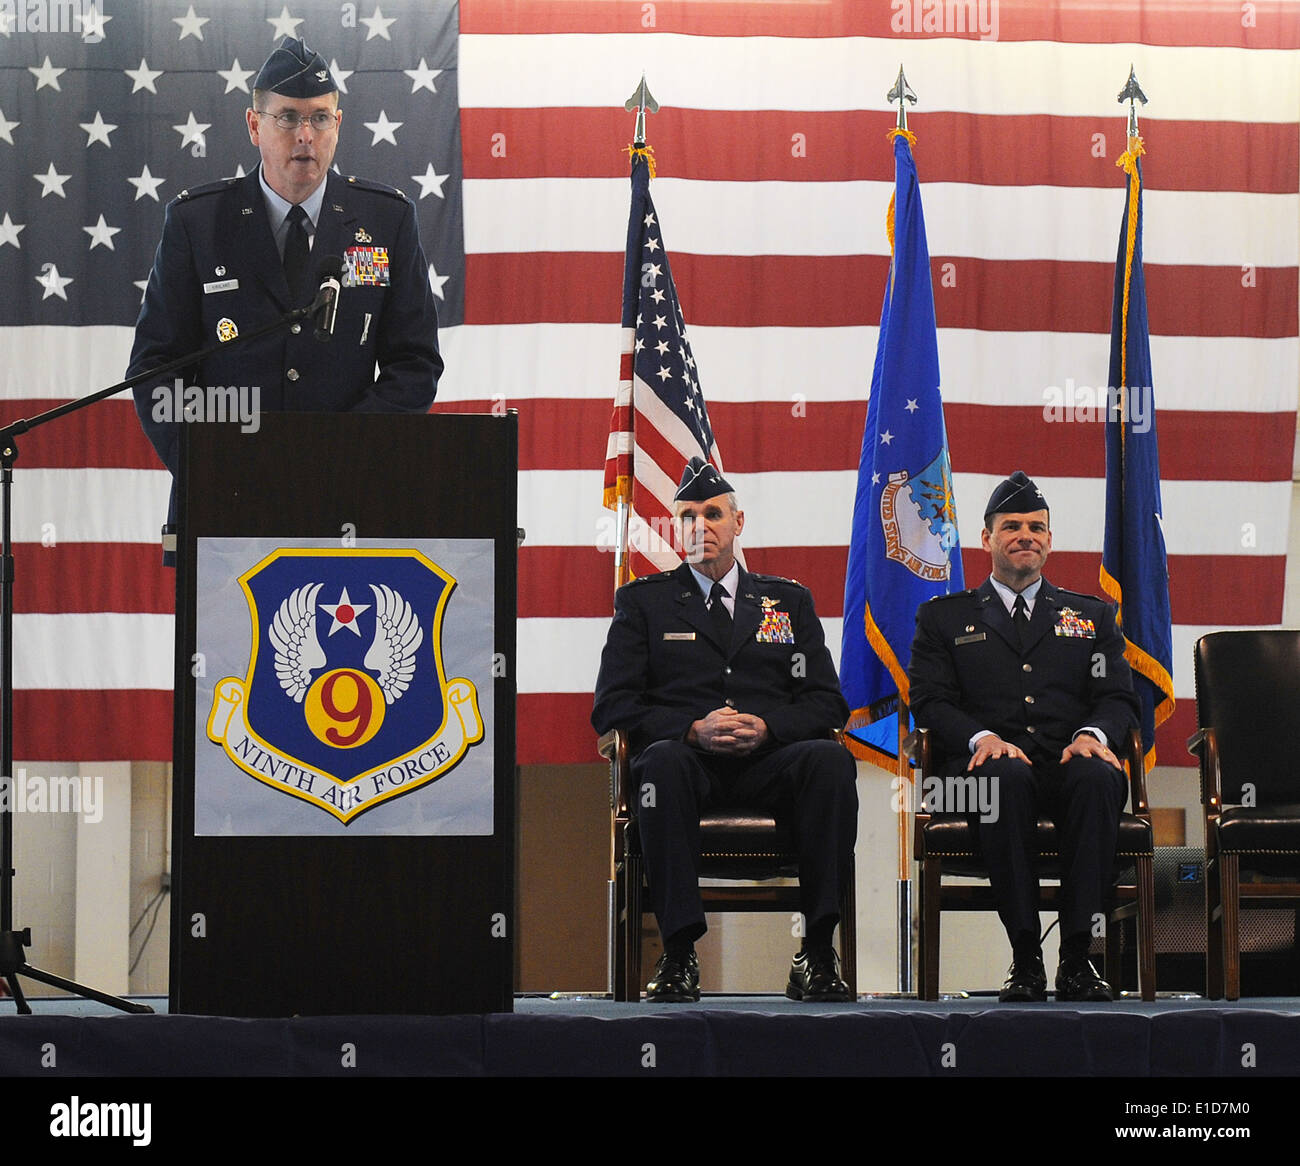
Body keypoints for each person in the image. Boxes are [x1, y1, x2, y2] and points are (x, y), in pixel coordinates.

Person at [127, 36, 442, 558]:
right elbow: (156, 368)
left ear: (337, 125)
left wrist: (340, 456)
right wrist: (215, 465)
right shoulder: (197, 223)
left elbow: (416, 363)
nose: (305, 136)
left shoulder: (387, 219)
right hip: (222, 507)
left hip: (351, 504)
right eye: (288, 118)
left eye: (320, 119)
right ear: (255, 126)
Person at [592, 458, 858, 1003]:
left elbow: (828, 702)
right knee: (659, 765)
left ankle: (817, 951)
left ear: (739, 523)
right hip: (687, 767)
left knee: (830, 761)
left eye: (712, 514)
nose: (699, 526)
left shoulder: (788, 601)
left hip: (770, 767)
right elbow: (613, 707)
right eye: (686, 516)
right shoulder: (645, 602)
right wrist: (690, 730)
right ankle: (679, 953)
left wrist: (768, 726)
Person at [908, 471, 1139, 1002]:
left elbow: (1118, 698)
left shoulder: (1092, 616)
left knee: (1097, 778)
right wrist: (981, 737)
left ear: (1051, 541)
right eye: (1011, 526)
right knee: (1002, 778)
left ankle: (1079, 957)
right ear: (986, 539)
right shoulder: (944, 618)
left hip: (1063, 765)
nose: (1026, 535)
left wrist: (1090, 733)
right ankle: (1026, 957)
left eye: (1037, 527)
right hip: (970, 778)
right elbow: (930, 701)